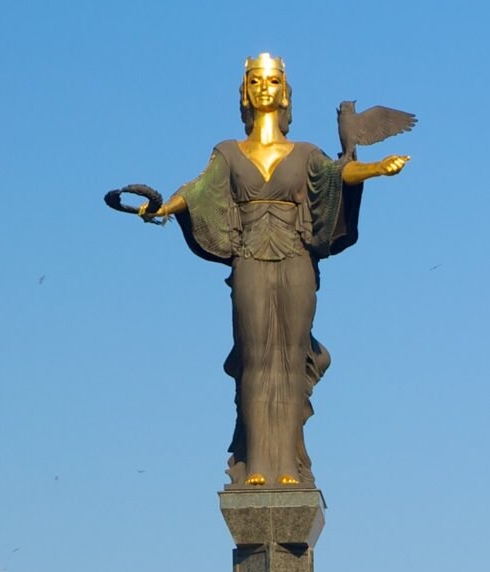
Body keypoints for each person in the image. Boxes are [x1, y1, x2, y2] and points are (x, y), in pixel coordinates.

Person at [144, 54, 408, 487]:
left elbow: (337, 175)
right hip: (249, 256)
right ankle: (257, 464)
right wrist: (162, 208)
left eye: (272, 81)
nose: (264, 87)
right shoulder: (228, 153)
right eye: (255, 81)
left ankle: (287, 462)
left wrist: (377, 168)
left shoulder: (304, 153)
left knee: (288, 358)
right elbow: (197, 190)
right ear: (245, 91)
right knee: (255, 359)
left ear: (284, 92)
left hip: (295, 259)